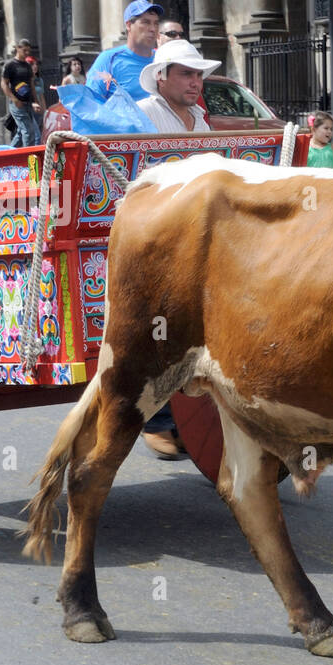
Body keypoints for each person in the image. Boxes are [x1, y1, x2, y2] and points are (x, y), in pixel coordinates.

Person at [133, 38, 219, 458]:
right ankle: (156, 420)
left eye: (198, 75)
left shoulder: (201, 120)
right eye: (186, 73)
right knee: (160, 326)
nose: (195, 82)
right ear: (162, 77)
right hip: (152, 236)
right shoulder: (144, 114)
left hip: (191, 234)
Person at [87, 0, 163, 101]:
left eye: (156, 23)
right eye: (146, 22)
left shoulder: (163, 59)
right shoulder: (109, 59)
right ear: (129, 25)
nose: (153, 29)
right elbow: (90, 102)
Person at [2, 40, 40, 147]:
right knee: (28, 131)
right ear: (17, 48)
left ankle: (9, 153)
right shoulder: (10, 65)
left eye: (28, 51)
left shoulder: (27, 66)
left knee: (20, 132)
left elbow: (31, 84)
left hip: (28, 103)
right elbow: (4, 84)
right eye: (24, 50)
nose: (27, 53)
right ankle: (28, 155)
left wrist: (35, 101)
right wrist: (15, 100)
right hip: (17, 104)